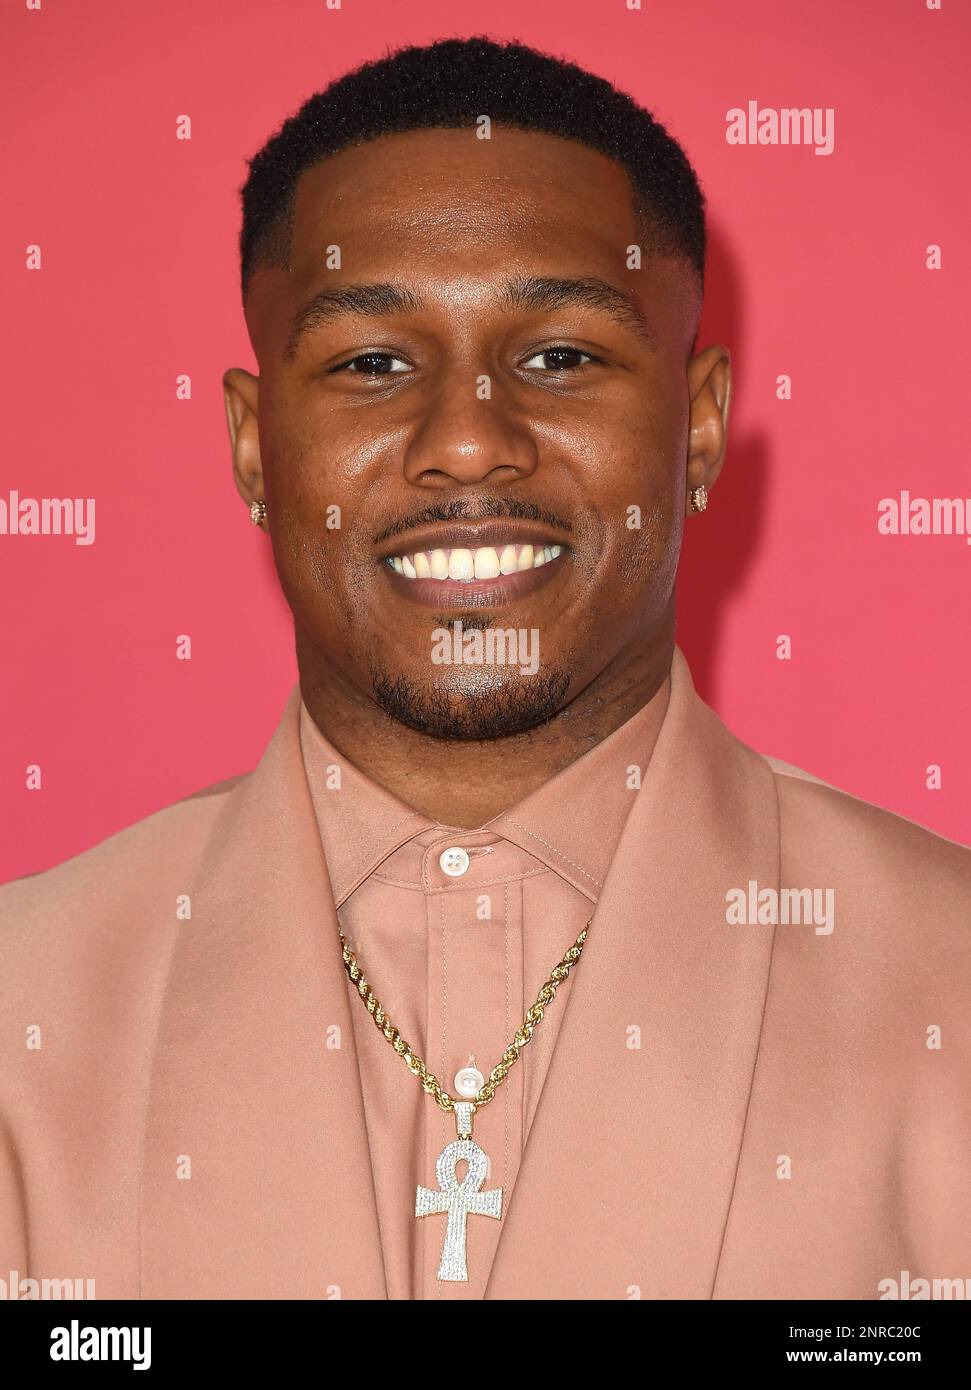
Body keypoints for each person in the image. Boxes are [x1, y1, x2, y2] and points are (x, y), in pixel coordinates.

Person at [2, 36, 969, 1303]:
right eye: (371, 364)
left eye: (560, 356)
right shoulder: (24, 1012)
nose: (466, 442)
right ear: (253, 447)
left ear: (696, 428)